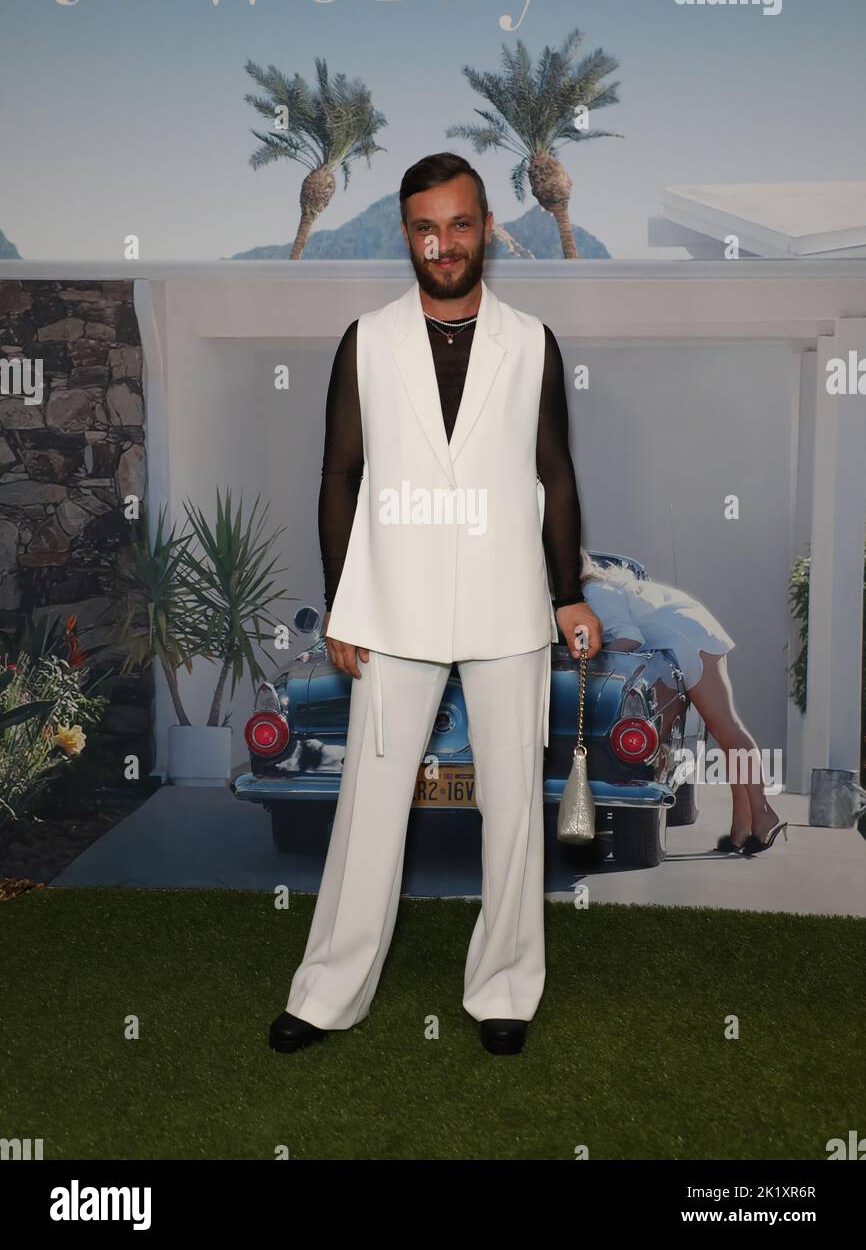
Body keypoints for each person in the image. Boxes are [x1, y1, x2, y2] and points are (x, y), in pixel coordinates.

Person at [268, 152, 603, 1058]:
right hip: (396, 609)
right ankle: (328, 991)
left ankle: (504, 991)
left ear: (484, 226)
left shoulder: (530, 340)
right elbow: (341, 475)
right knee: (369, 806)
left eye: (459, 224)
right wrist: (343, 604)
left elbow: (555, 474)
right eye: (426, 226)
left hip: (509, 605)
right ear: (406, 234)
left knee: (511, 807)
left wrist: (568, 593)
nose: (443, 242)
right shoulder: (366, 339)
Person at [578, 549, 787, 857]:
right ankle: (742, 826)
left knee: (728, 729)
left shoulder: (593, 592)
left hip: (688, 635)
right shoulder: (602, 586)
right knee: (726, 733)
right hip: (691, 626)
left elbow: (629, 638)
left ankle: (764, 811)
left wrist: (585, 660)